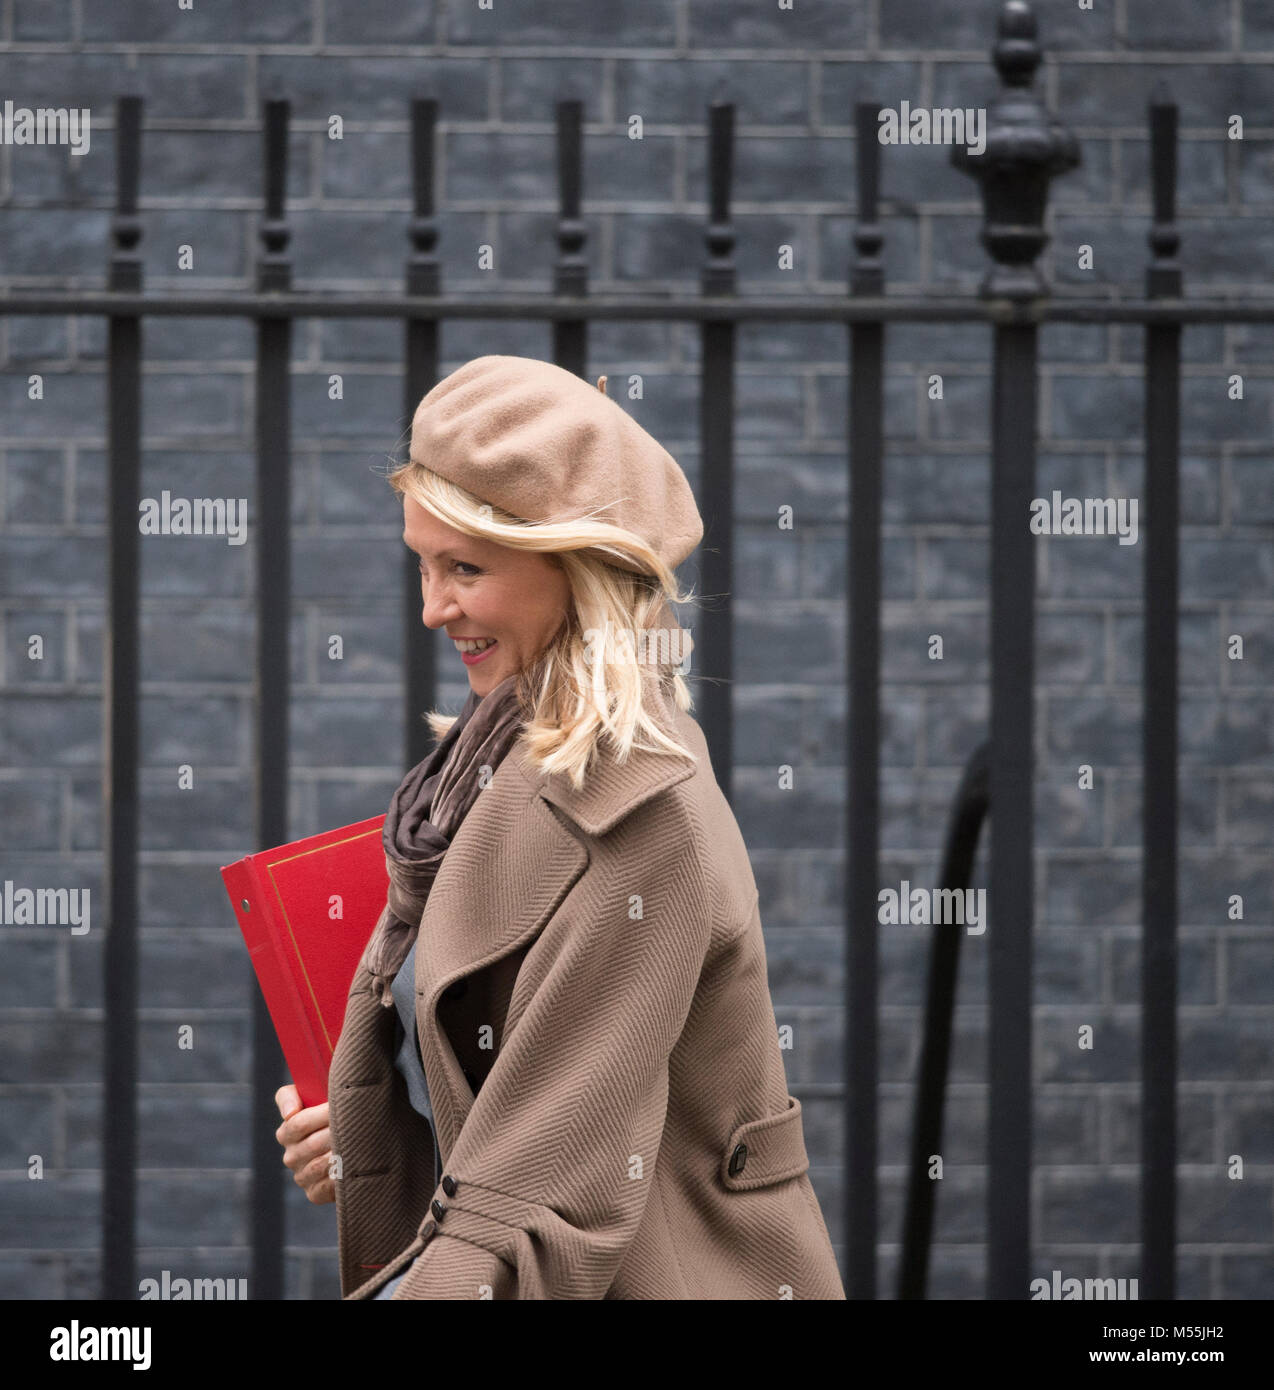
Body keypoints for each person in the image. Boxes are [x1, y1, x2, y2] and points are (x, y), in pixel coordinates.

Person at [274, 355, 845, 1299]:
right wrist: (376, 1123)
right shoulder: (486, 771)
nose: (431, 608)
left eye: (465, 568)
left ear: (576, 572)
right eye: (422, 564)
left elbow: (533, 1198)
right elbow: (501, 1088)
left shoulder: (634, 814)